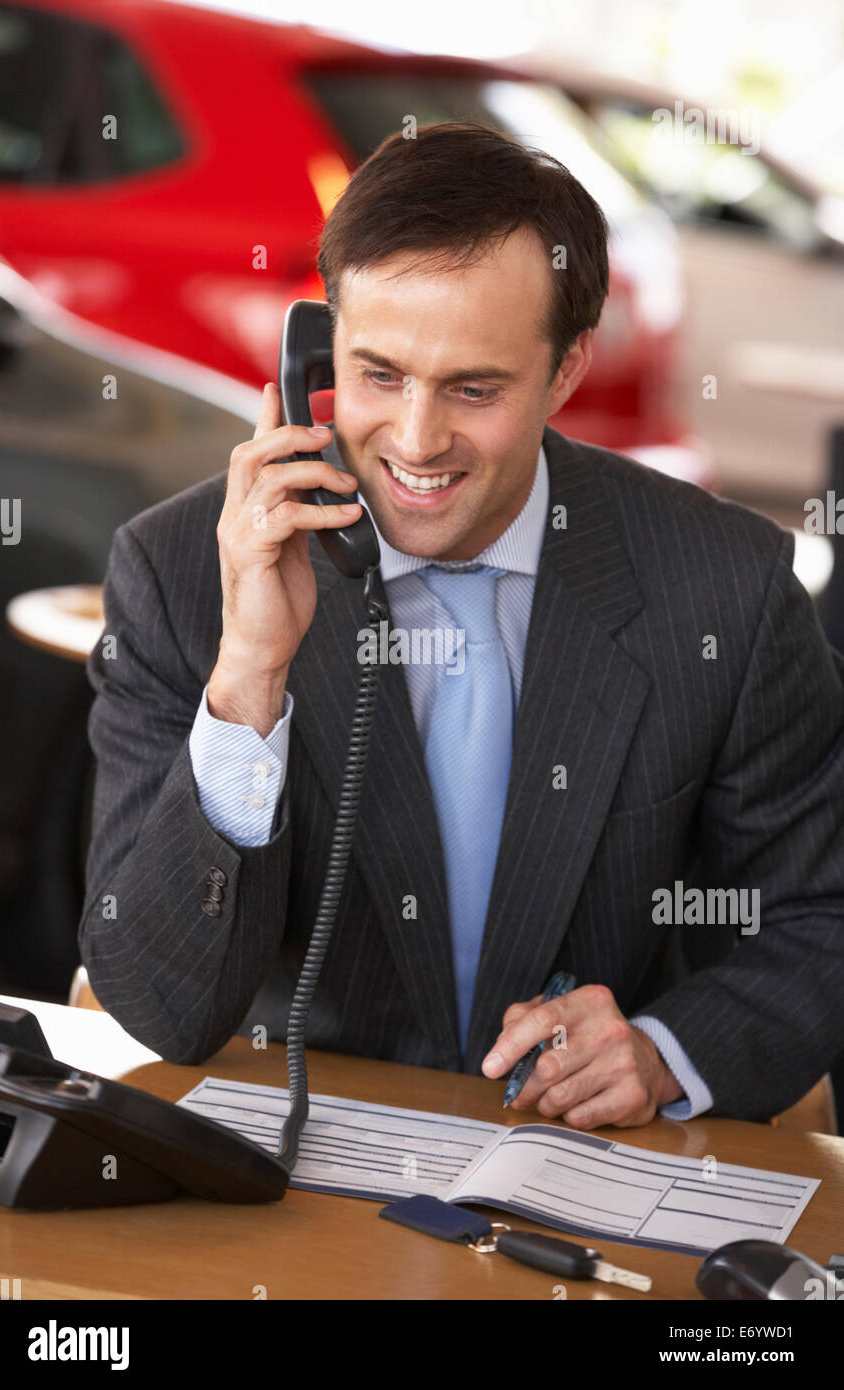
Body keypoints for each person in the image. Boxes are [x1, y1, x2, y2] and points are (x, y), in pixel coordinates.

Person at [79, 122, 844, 1128]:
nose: (415, 439)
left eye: (472, 389)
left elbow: (813, 917)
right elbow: (160, 1005)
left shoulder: (722, 584)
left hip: (579, 1171)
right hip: (285, 1181)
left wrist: (661, 1053)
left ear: (566, 368)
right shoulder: (180, 572)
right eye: (378, 374)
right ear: (316, 350)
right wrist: (251, 674)